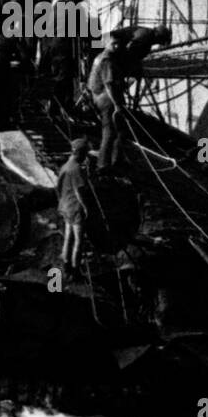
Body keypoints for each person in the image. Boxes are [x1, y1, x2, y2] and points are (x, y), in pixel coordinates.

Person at [87, 29, 127, 174]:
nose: (116, 47)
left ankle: (116, 160)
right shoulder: (107, 60)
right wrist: (117, 105)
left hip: (98, 96)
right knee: (110, 132)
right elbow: (109, 84)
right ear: (107, 42)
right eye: (114, 44)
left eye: (118, 45)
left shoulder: (100, 56)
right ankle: (103, 164)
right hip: (106, 99)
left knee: (118, 131)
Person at [57, 139, 91, 272]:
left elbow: (59, 187)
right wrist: (85, 206)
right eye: (85, 153)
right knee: (78, 240)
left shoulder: (65, 166)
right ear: (80, 153)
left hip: (65, 205)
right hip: (75, 207)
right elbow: (78, 191)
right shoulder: (76, 168)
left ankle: (65, 264)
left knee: (68, 236)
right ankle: (75, 268)